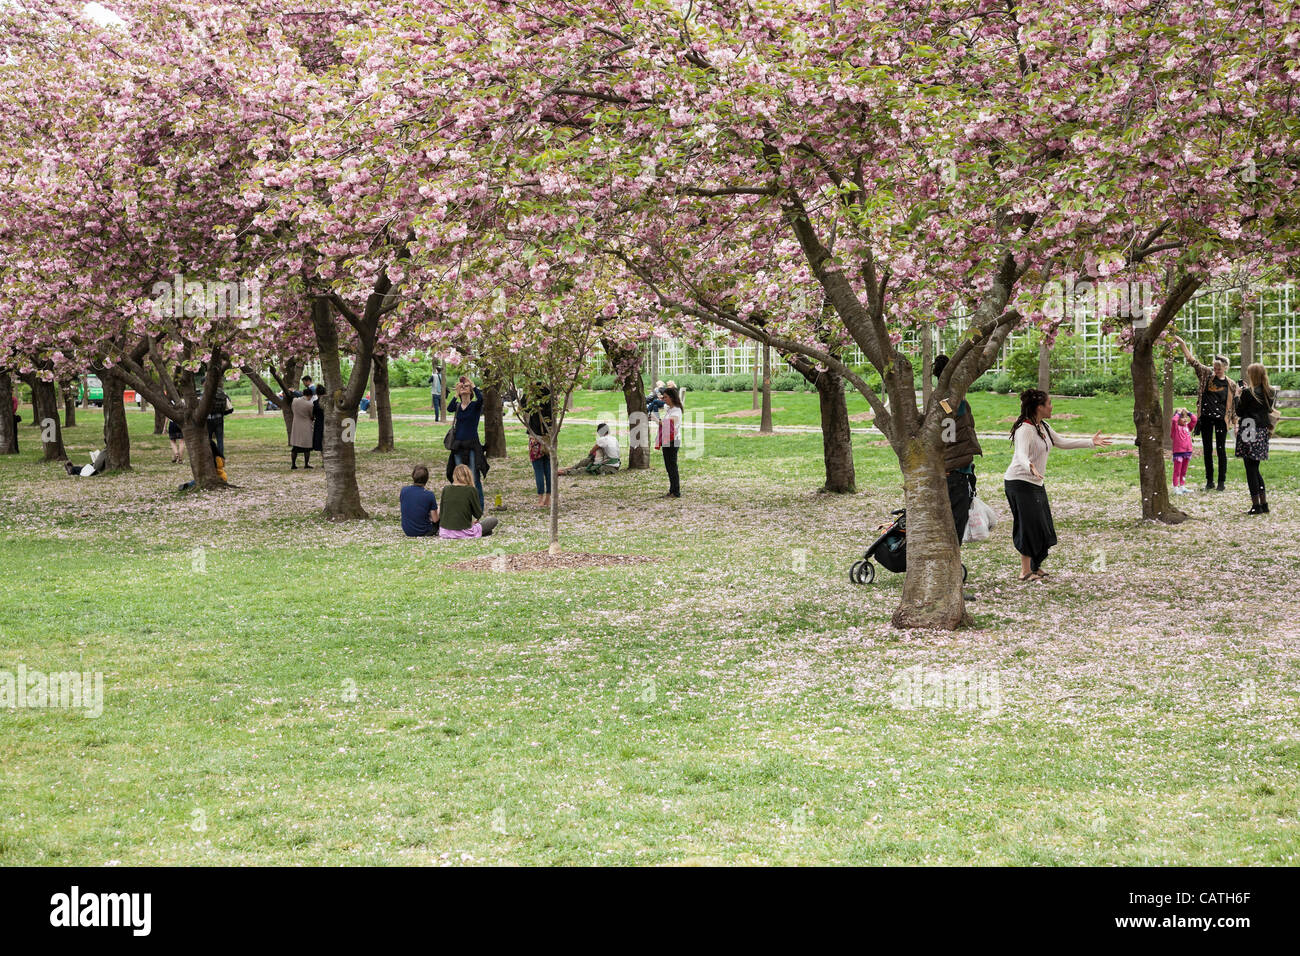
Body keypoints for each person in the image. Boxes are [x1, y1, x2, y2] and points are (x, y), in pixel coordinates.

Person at [1003, 388, 1112, 581]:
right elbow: (1020, 454)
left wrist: (1090, 442)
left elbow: (1061, 441)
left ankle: (1036, 567)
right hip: (1019, 483)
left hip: (1035, 482)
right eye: (1049, 403)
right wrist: (1029, 466)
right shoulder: (1025, 429)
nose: (1052, 407)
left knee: (1043, 526)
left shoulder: (1042, 426)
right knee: (1028, 526)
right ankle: (1025, 571)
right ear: (1039, 407)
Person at [1172, 336, 1237, 491]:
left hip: (1221, 420)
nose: (1216, 371)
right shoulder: (1206, 374)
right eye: (1215, 368)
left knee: (1221, 450)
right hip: (1206, 419)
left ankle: (1221, 481)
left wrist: (1235, 424)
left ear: (1225, 368)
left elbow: (1233, 406)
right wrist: (1182, 344)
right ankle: (1210, 481)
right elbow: (1192, 360)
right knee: (1207, 450)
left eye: (1219, 369)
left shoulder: (1231, 384)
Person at [931, 354, 982, 542]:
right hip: (956, 472)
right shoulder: (951, 404)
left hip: (956, 470)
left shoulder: (944, 401)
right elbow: (948, 436)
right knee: (955, 524)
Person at [1234, 363, 1276, 515]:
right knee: (1255, 467)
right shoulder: (1270, 391)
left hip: (1248, 428)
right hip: (1262, 431)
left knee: (1250, 469)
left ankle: (1256, 505)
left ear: (1252, 375)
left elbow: (1239, 411)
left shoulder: (1247, 393)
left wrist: (1237, 396)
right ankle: (1263, 503)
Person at [446, 376, 488, 507]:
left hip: (472, 445)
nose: (464, 388)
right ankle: (463, 504)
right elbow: (449, 408)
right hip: (458, 445)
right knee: (459, 475)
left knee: (474, 476)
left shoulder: (475, 406)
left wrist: (473, 385)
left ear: (470, 391)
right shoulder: (458, 406)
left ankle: (478, 505)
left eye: (466, 386)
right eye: (462, 386)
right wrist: (456, 394)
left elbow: (481, 399)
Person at [438, 464, 499, 538]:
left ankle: (482, 532)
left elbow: (442, 512)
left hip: (444, 532)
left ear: (454, 475)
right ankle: (480, 532)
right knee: (493, 520)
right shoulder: (471, 490)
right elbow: (478, 513)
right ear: (469, 475)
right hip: (463, 531)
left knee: (486, 529)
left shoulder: (446, 489)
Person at [525, 385, 554, 508]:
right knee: (548, 470)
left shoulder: (533, 408)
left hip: (535, 441)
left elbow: (523, 404)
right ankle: (548, 498)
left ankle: (540, 499)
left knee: (538, 471)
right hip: (548, 441)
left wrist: (527, 391)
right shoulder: (550, 408)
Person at [656, 385, 683, 498]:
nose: (664, 399)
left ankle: (676, 491)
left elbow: (668, 423)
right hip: (667, 439)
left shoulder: (677, 411)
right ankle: (672, 490)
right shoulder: (670, 409)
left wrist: (655, 419)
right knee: (669, 466)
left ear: (672, 397)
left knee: (672, 466)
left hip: (673, 441)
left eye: (666, 397)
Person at [399, 465, 441, 537]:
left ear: (413, 476)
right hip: (425, 531)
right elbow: (435, 519)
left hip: (407, 530)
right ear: (427, 478)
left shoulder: (404, 491)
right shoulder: (429, 495)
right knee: (439, 509)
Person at [1169, 407, 1197, 495]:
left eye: (1185, 417)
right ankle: (1175, 487)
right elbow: (1174, 420)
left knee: (1184, 471)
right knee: (1177, 471)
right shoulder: (1175, 428)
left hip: (1187, 452)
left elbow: (1194, 419)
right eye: (1182, 417)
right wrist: (1178, 413)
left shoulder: (1188, 427)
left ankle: (1182, 486)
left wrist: (1188, 413)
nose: (1185, 419)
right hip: (1178, 453)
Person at [290, 391, 315, 469]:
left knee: (295, 447)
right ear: (310, 396)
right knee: (307, 447)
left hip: (296, 425)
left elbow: (292, 410)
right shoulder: (310, 404)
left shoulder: (295, 401)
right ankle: (306, 464)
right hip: (306, 426)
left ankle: (293, 464)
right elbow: (311, 415)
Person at [206, 386, 234, 458]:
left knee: (208, 439)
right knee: (220, 440)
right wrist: (222, 413)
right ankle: (221, 456)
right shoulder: (222, 393)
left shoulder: (205, 393)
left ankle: (210, 455)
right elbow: (231, 409)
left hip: (208, 420)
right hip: (219, 419)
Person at [311, 384, 325, 456]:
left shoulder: (315, 403)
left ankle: (323, 459)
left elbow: (312, 415)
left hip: (319, 424)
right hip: (327, 423)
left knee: (320, 442)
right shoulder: (328, 403)